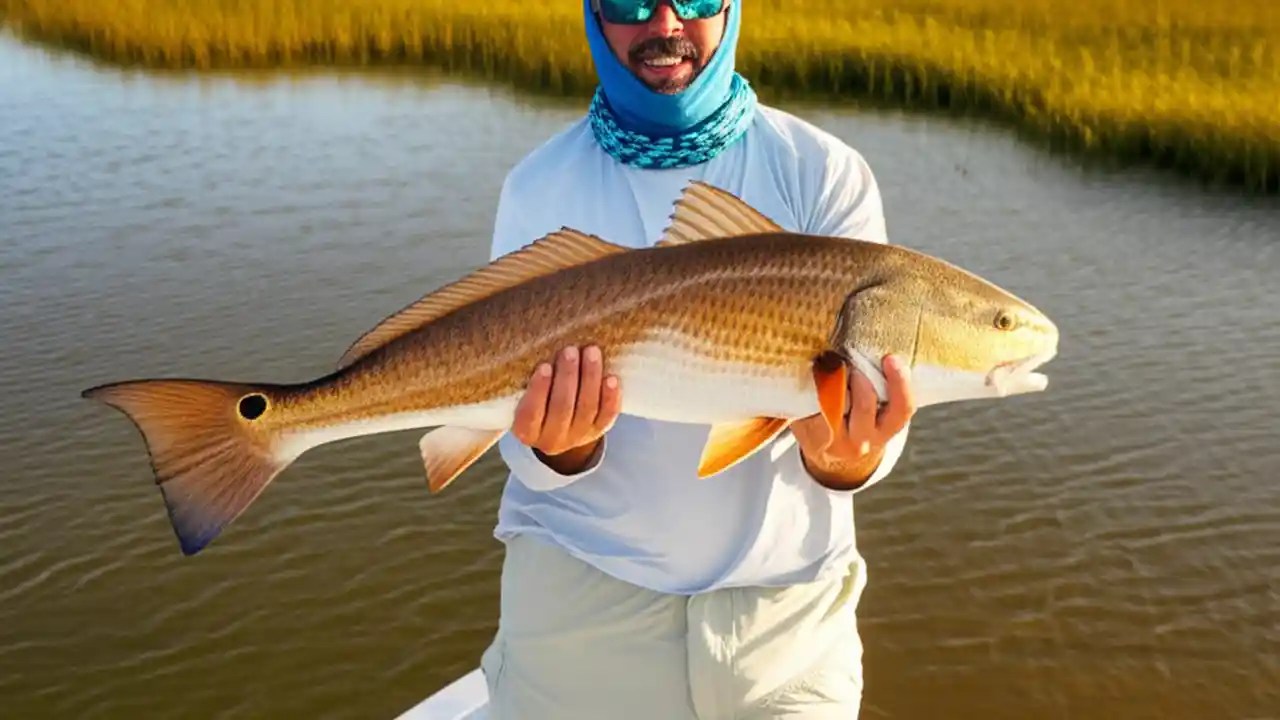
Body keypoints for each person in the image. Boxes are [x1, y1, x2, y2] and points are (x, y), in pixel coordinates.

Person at [478, 0, 916, 717]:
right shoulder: (538, 186)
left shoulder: (823, 173)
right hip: (579, 606)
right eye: (627, 0)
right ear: (590, 13)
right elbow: (507, 421)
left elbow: (859, 436)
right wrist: (562, 450)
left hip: (784, 623)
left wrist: (848, 458)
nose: (665, 22)